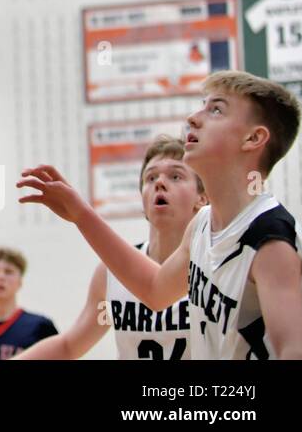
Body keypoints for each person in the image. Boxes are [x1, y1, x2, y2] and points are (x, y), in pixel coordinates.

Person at [19, 70, 302, 359]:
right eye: (202, 105)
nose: (194, 118)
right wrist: (80, 214)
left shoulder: (270, 239)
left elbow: (293, 352)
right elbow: (154, 291)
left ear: (253, 138)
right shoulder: (202, 226)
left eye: (216, 109)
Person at [17, 135, 205, 360]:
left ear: (202, 198)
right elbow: (69, 345)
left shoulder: (213, 263)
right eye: (151, 177)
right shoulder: (110, 273)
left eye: (176, 176)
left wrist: (80, 213)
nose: (160, 183)